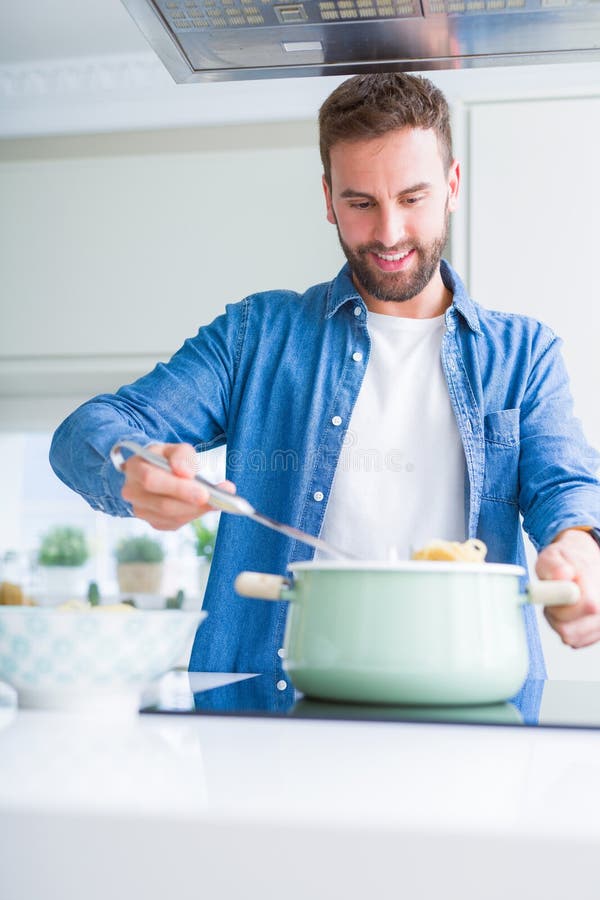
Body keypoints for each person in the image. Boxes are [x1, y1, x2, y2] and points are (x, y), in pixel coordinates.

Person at [50, 73, 600, 685]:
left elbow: (566, 484)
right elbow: (85, 432)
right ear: (328, 197)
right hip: (271, 713)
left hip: (472, 698)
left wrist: (579, 548)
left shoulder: (523, 353)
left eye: (412, 198)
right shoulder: (255, 336)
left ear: (452, 186)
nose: (389, 233)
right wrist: (133, 467)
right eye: (361, 203)